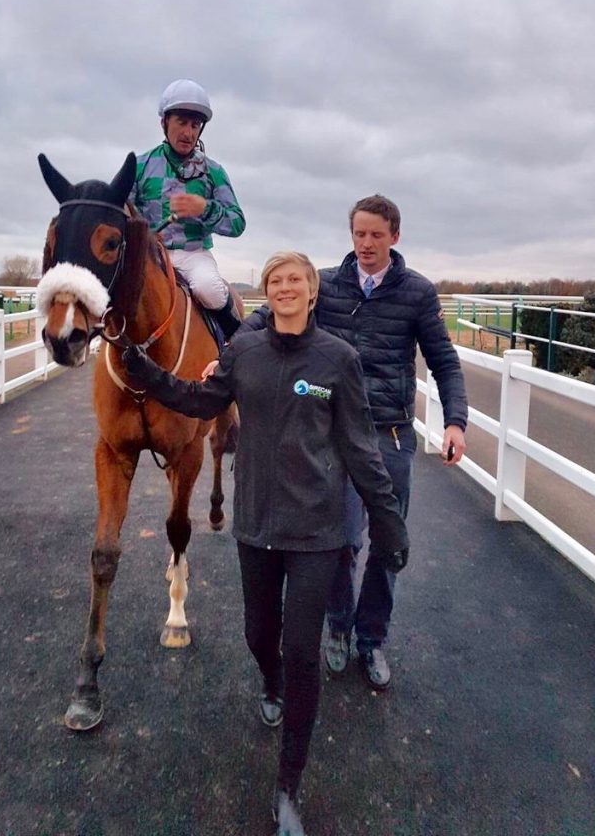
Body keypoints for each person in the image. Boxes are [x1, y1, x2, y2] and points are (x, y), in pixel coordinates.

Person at [121, 251, 409, 836]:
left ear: (311, 292)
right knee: (260, 636)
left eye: (295, 280)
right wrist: (146, 374)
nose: (285, 288)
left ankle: (288, 789)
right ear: (267, 291)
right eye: (276, 281)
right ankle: (269, 681)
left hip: (316, 531)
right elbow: (202, 402)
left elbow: (359, 446)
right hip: (255, 524)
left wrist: (387, 519)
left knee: (302, 652)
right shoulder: (243, 352)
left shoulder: (338, 360)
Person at [238, 195, 468, 692]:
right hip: (334, 437)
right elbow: (263, 318)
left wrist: (455, 421)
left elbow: (444, 362)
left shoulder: (418, 294)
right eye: (359, 234)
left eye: (376, 236)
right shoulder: (327, 283)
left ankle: (372, 637)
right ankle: (338, 628)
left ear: (394, 238)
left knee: (386, 543)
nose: (365, 244)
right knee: (341, 541)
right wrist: (231, 356)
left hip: (388, 433)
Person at [129, 79, 245, 336]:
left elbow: (237, 223)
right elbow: (121, 215)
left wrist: (204, 208)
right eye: (181, 122)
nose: (188, 133)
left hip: (194, 255)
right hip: (149, 255)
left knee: (209, 289)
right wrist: (143, 235)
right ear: (164, 122)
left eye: (195, 125)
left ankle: (236, 344)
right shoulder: (139, 166)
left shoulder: (213, 171)